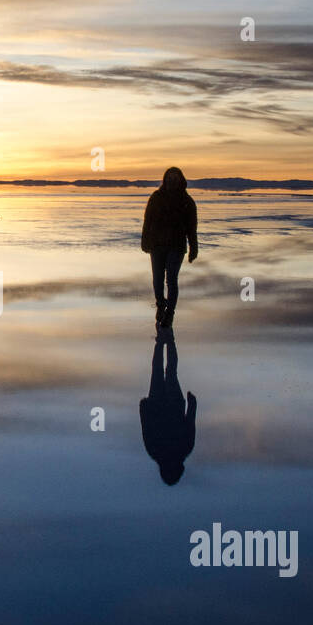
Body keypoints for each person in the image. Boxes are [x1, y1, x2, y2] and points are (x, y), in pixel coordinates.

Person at [140, 166, 198, 330]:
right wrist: (145, 240)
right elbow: (147, 220)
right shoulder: (156, 197)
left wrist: (193, 248)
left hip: (177, 246)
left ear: (181, 180)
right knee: (157, 280)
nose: (172, 181)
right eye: (170, 178)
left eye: (175, 178)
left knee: (171, 280)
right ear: (165, 180)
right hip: (157, 245)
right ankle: (160, 305)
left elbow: (191, 228)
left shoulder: (187, 201)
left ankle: (170, 313)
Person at [139, 331, 197, 485]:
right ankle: (162, 341)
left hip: (168, 404)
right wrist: (143, 407)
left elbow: (190, 422)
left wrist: (192, 405)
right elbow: (146, 426)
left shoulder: (184, 449)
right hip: (160, 404)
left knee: (169, 372)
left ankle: (167, 340)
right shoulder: (154, 451)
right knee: (160, 371)